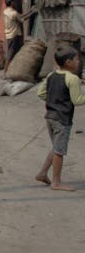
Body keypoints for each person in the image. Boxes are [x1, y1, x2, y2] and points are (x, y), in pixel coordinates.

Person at [34, 45, 85, 192]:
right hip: (62, 119)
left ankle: (43, 173)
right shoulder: (73, 79)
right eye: (76, 59)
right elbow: (78, 100)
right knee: (59, 151)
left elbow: (41, 93)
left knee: (57, 147)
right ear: (68, 62)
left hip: (50, 116)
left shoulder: (52, 75)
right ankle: (56, 182)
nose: (78, 61)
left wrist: (54, 101)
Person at [3, 0, 25, 77]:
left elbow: (19, 16)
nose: (15, 3)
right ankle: (5, 73)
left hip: (8, 35)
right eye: (14, 2)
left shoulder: (5, 12)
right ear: (12, 3)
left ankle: (11, 70)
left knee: (12, 52)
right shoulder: (14, 13)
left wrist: (29, 11)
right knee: (11, 53)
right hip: (14, 35)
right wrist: (31, 12)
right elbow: (22, 19)